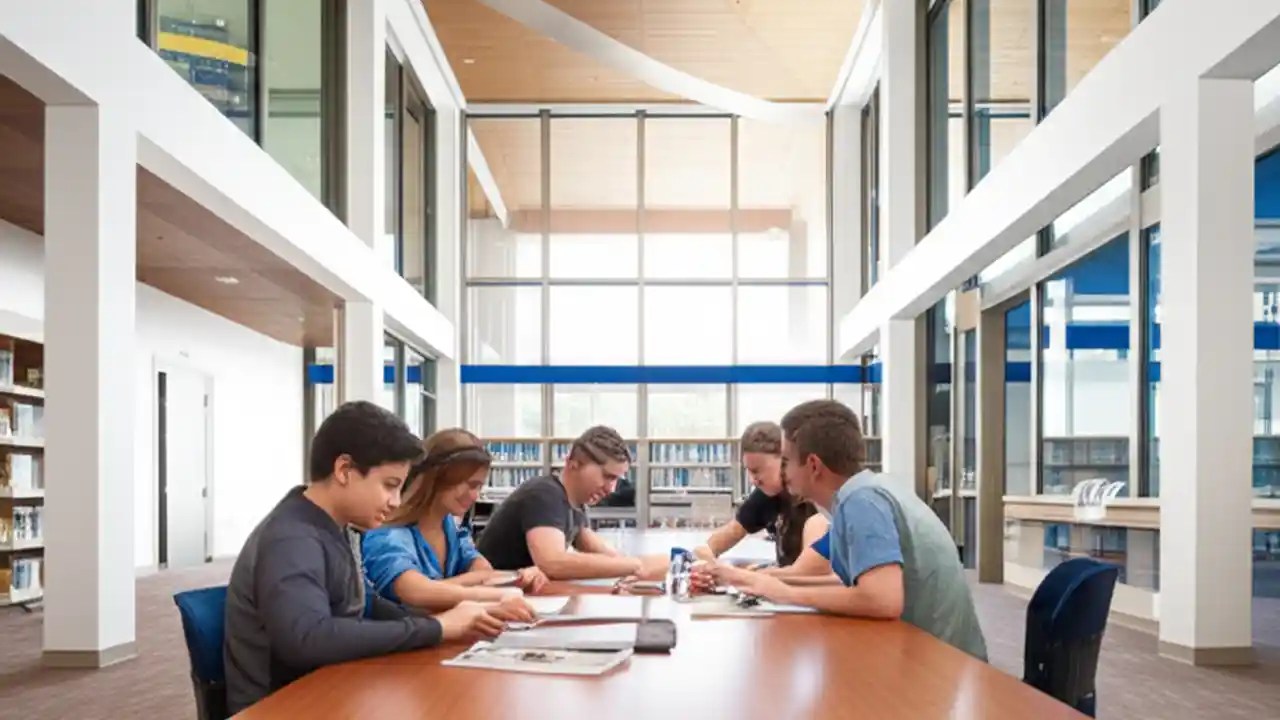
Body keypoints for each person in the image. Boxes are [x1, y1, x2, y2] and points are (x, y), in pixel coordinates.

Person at [224, 402, 505, 714]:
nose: (395, 502)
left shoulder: (334, 526)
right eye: (389, 485)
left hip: (330, 687)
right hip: (283, 706)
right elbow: (307, 638)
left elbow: (365, 604)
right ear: (344, 470)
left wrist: (447, 626)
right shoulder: (292, 537)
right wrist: (436, 628)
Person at [711, 399, 988, 660]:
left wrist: (784, 592)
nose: (783, 472)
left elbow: (882, 600)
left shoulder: (861, 502)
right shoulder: (864, 492)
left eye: (785, 460)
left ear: (813, 465)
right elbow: (855, 586)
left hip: (940, 666)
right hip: (934, 655)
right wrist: (764, 581)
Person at [361, 428, 549, 618]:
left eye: (479, 486)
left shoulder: (449, 525)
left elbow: (482, 569)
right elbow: (417, 593)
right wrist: (492, 590)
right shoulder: (386, 535)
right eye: (470, 485)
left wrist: (519, 577)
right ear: (438, 478)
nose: (475, 496)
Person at [476, 425, 669, 580]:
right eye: (607, 476)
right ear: (573, 463)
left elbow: (604, 554)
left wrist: (646, 565)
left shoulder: (574, 503)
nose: (611, 489)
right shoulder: (544, 494)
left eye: (616, 480)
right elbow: (552, 563)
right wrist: (634, 565)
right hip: (487, 601)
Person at [693, 421, 830, 570]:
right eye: (749, 472)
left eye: (757, 471)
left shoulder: (815, 501)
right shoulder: (767, 495)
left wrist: (749, 575)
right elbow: (728, 535)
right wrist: (705, 557)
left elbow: (811, 572)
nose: (753, 480)